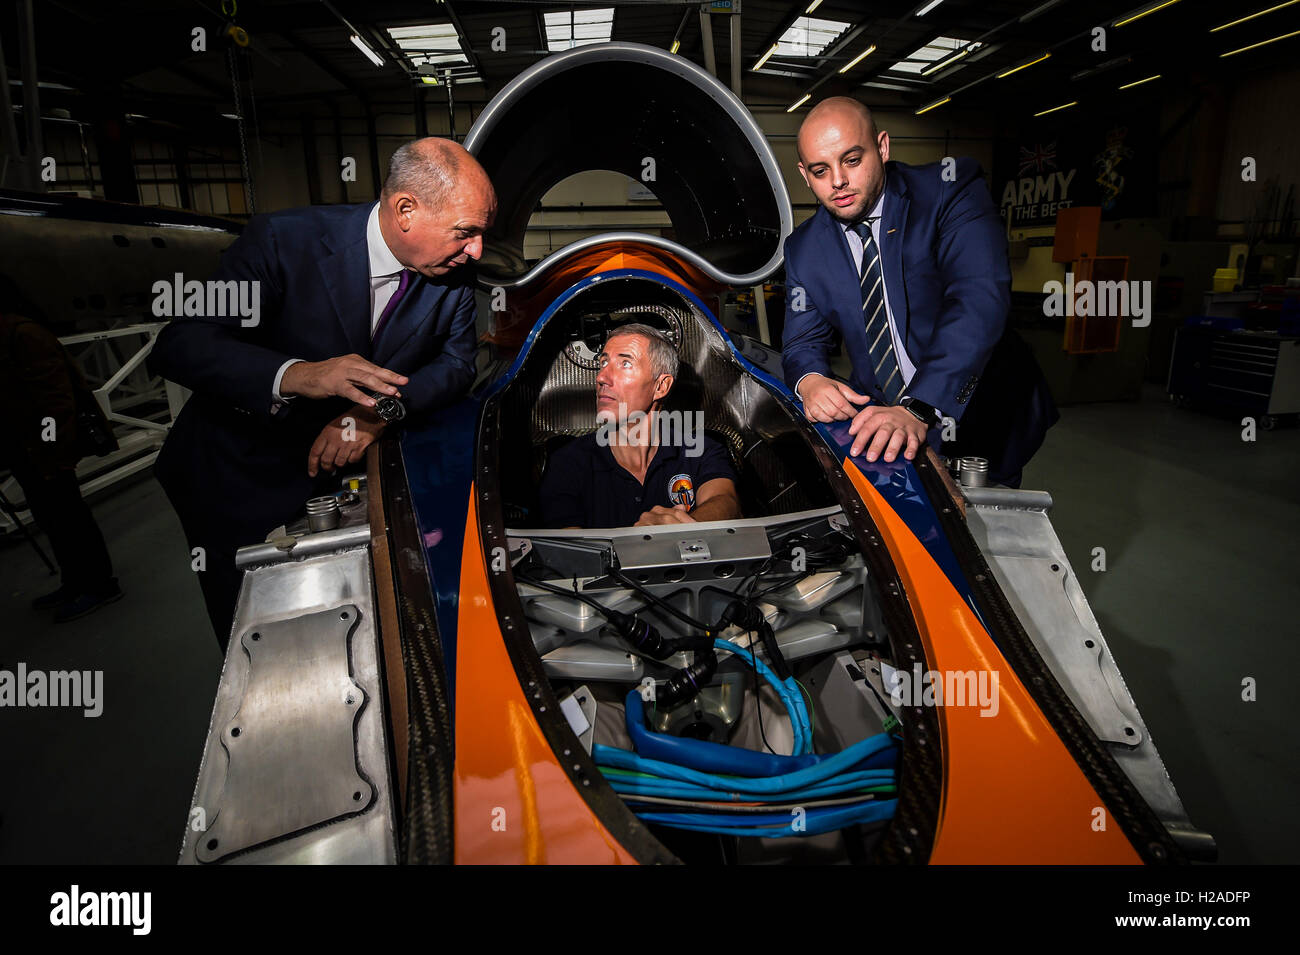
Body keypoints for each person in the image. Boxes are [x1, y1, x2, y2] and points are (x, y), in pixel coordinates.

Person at [148, 137, 496, 651]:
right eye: (465, 232)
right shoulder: (282, 241)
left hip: (344, 481)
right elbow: (182, 342)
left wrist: (377, 410)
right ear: (405, 211)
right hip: (237, 474)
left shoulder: (453, 277)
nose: (476, 251)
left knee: (347, 632)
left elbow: (455, 365)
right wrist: (298, 374)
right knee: (257, 642)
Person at [781, 96, 1055, 485]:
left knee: (983, 533)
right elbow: (802, 340)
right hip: (883, 426)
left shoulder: (949, 190)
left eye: (852, 160)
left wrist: (919, 408)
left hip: (977, 414)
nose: (838, 181)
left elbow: (978, 301)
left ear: (883, 147)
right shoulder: (804, 248)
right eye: (820, 170)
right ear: (804, 175)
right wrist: (810, 380)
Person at [0, 274, 122, 622]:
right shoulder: (13, 331)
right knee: (52, 520)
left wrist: (52, 453)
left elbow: (56, 401)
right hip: (26, 447)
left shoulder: (23, 334)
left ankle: (100, 584)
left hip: (44, 449)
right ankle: (74, 581)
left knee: (70, 518)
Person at [539, 324, 740, 529]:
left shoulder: (701, 451)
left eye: (625, 363)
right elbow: (568, 549)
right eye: (603, 362)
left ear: (661, 386)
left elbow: (726, 503)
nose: (601, 377)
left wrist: (682, 529)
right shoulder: (568, 462)